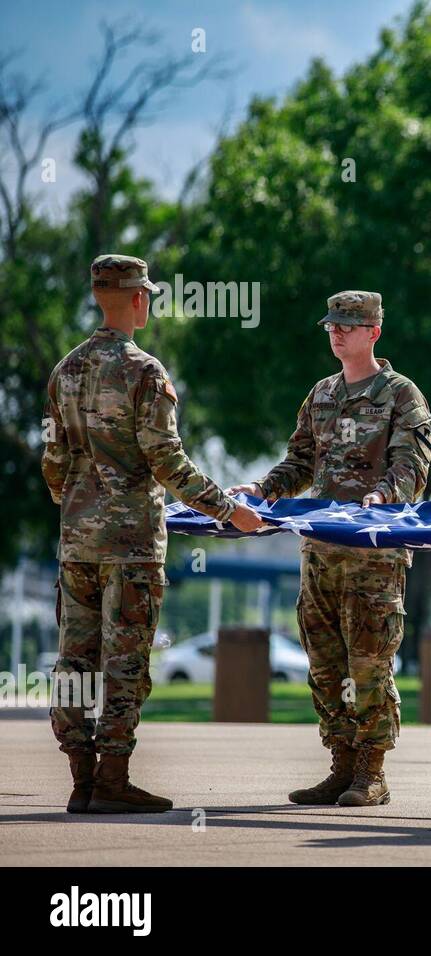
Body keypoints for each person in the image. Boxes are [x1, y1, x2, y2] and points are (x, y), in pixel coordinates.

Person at [42, 253, 263, 813]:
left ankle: (81, 778)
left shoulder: (64, 371)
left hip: (76, 545)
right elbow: (166, 460)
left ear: (99, 296)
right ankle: (112, 780)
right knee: (125, 662)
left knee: (74, 660)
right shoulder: (145, 372)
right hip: (133, 547)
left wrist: (78, 509)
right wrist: (225, 509)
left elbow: (53, 462)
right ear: (138, 298)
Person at [231, 291, 431, 807]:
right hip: (320, 553)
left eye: (348, 325)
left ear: (374, 332)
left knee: (368, 663)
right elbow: (299, 463)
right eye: (332, 325)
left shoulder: (400, 395)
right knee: (324, 663)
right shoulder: (321, 395)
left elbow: (412, 463)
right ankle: (340, 766)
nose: (337, 332)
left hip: (372, 555)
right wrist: (260, 490)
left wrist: (383, 496)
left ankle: (372, 771)